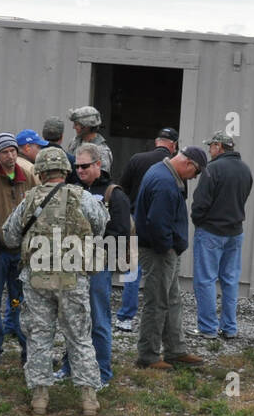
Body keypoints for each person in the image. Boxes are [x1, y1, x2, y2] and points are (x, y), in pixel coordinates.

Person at [1, 146, 108, 416]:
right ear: (66, 170)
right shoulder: (82, 197)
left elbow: (10, 236)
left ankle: (40, 398)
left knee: (39, 336)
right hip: (73, 278)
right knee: (79, 336)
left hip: (37, 278)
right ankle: (88, 398)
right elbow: (100, 226)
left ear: (39, 171)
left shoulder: (28, 200)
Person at [58, 142, 131, 387]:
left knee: (98, 320)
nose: (80, 170)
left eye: (85, 166)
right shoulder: (70, 189)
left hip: (98, 265)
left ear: (98, 165)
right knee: (72, 318)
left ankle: (103, 373)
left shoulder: (114, 193)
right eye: (76, 166)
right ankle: (69, 367)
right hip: (71, 263)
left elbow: (120, 232)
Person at [133, 146, 208, 369]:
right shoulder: (165, 182)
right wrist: (166, 248)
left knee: (171, 300)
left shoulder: (162, 172)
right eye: (196, 172)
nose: (195, 177)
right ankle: (148, 356)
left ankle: (176, 350)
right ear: (188, 164)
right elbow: (157, 222)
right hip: (159, 252)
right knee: (157, 302)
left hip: (165, 250)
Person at [191, 131, 254, 340]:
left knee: (206, 280)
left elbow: (201, 202)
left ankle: (208, 329)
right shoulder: (246, 170)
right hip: (235, 232)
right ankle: (229, 328)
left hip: (211, 231)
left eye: (211, 146)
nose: (209, 150)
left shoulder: (213, 169)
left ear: (218, 146)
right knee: (230, 280)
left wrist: (198, 220)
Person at [115, 127, 179, 331]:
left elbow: (122, 188)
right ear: (174, 146)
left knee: (132, 270)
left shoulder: (137, 159)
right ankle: (155, 321)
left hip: (135, 219)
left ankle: (125, 318)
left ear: (156, 141)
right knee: (161, 271)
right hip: (161, 223)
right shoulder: (174, 166)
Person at [0, 133, 37, 365]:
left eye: (13, 151)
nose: (11, 156)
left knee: (19, 299)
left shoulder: (28, 173)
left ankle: (25, 346)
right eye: (5, 152)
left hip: (21, 250)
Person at [67, 105, 113, 173]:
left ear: (86, 126)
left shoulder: (101, 151)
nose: (74, 127)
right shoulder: (74, 142)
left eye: (76, 124)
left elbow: (101, 178)